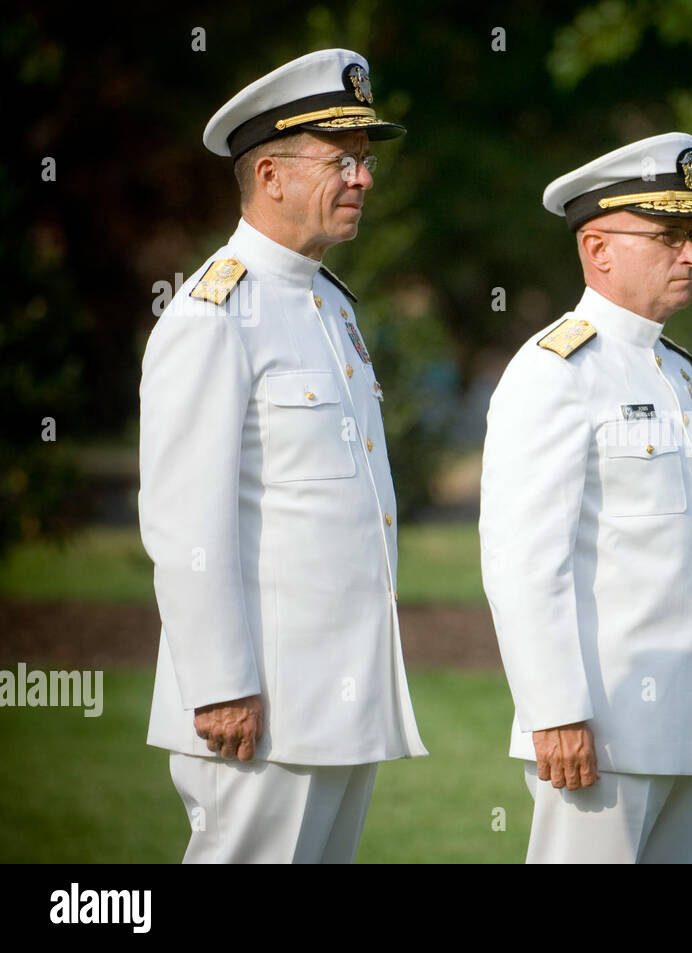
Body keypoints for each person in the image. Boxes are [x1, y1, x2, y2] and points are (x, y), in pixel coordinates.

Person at [138, 48, 426, 864]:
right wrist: (222, 683)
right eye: (343, 161)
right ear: (269, 174)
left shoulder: (325, 302)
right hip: (258, 706)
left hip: (332, 700)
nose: (364, 179)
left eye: (365, 161)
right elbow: (182, 519)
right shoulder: (212, 313)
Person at [479, 133, 692, 863]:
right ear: (599, 248)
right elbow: (524, 560)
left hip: (685, 728)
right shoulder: (555, 370)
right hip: (599, 731)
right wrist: (555, 711)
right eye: (669, 236)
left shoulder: (673, 370)